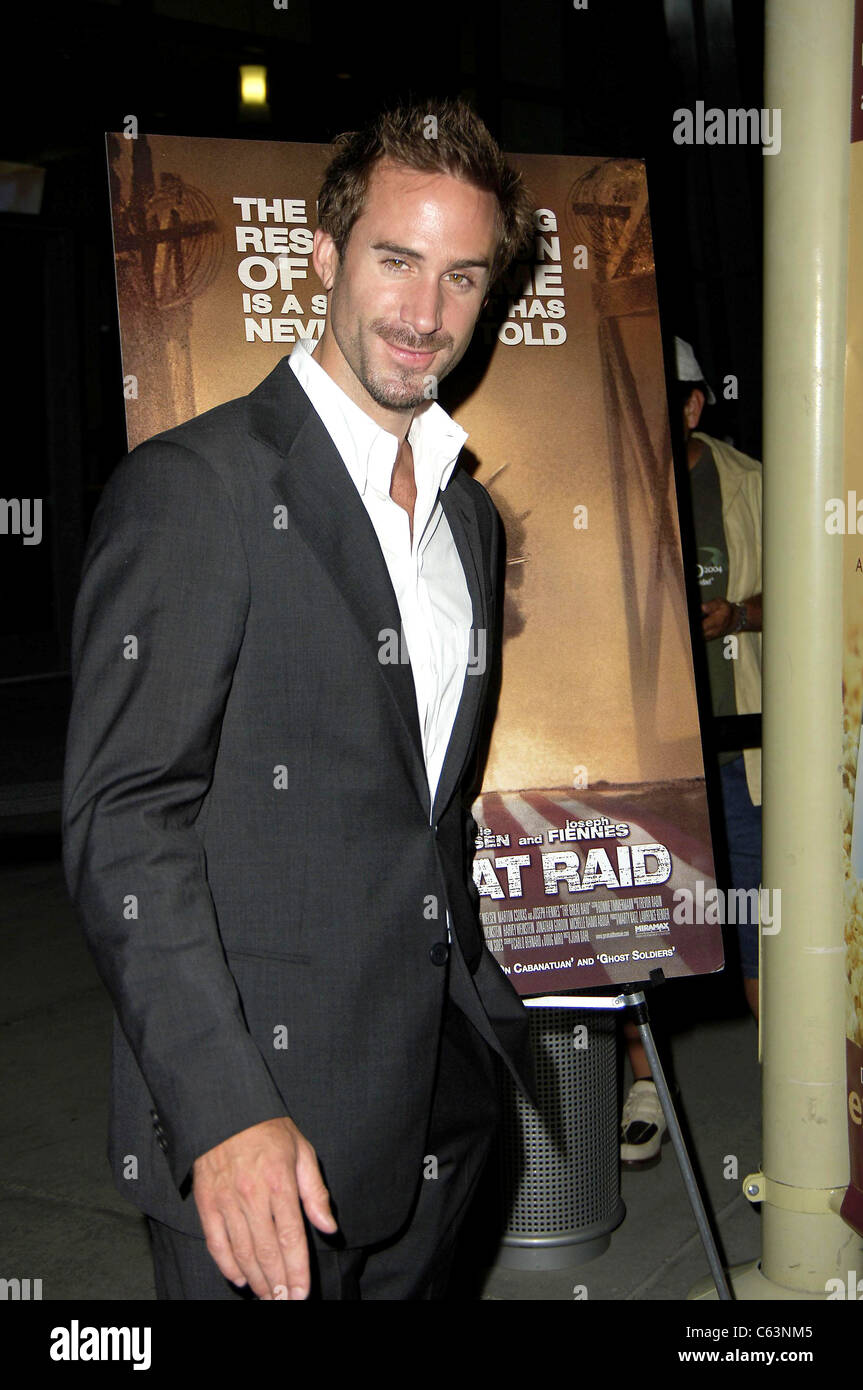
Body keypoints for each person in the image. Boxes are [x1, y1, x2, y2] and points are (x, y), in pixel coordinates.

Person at [62, 98, 537, 1300]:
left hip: (439, 1108)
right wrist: (222, 1112)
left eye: (463, 276)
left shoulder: (466, 519)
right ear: (324, 257)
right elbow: (124, 822)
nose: (425, 315)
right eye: (394, 260)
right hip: (262, 1150)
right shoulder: (195, 491)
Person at [620, 337, 763, 1166]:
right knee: (643, 919)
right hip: (645, 752)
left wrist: (736, 615)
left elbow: (832, 581)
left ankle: (789, 1086)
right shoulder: (609, 485)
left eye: (661, 402)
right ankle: (647, 1083)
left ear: (692, 406)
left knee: (753, 910)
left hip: (739, 750)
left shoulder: (751, 486)